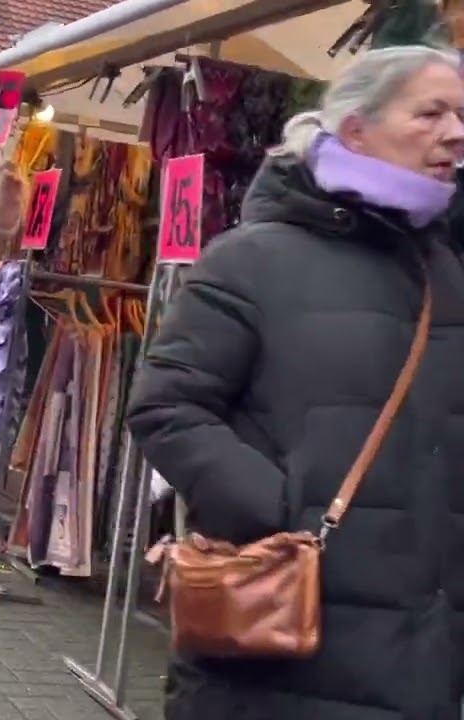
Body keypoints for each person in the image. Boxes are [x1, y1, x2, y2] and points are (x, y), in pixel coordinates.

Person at [125, 46, 464, 720]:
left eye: (460, 114)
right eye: (430, 113)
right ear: (356, 130)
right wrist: (282, 510)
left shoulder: (444, 275)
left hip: (422, 653)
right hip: (279, 644)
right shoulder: (251, 259)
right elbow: (167, 404)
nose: (455, 132)